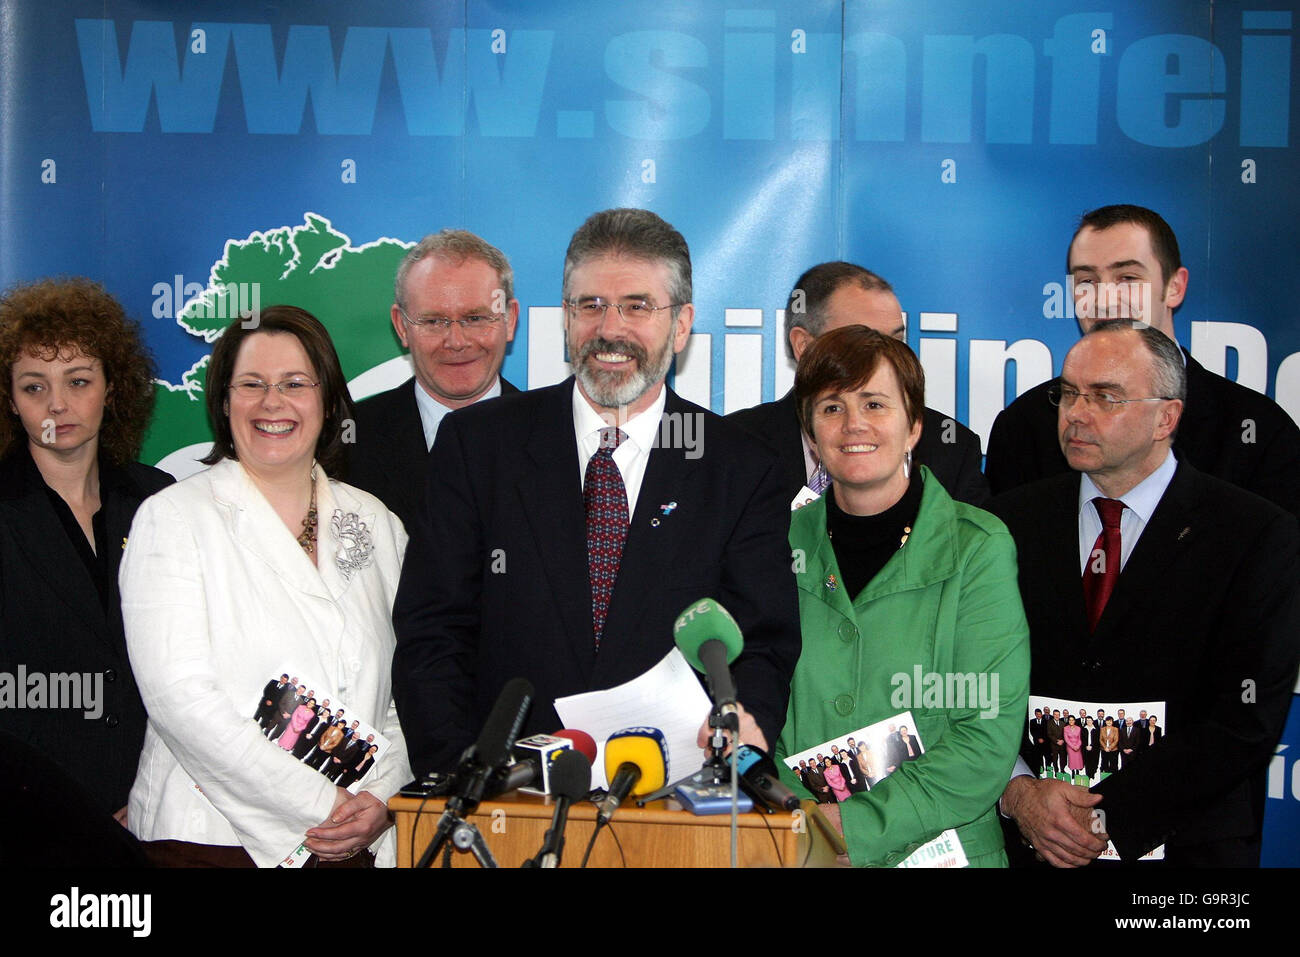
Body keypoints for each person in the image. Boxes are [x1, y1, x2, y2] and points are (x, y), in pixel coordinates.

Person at [392, 208, 801, 775]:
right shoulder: (478, 447)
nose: (611, 330)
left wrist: (744, 723)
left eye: (637, 306)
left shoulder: (740, 468)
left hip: (676, 811)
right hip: (504, 811)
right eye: (591, 306)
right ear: (565, 317)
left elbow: (760, 644)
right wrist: (462, 778)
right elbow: (432, 634)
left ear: (681, 324)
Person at [991, 322, 1300, 866]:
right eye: (1068, 394)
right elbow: (972, 681)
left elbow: (1244, 719)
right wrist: (1020, 793)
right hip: (1030, 842)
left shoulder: (1254, 534)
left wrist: (1104, 815)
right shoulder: (1007, 524)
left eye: (1105, 397)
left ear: (1167, 417)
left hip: (1186, 855)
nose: (1076, 413)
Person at [120, 305, 413, 867]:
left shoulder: (377, 523)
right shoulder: (173, 518)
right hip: (208, 840)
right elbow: (180, 699)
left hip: (356, 838)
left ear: (328, 403)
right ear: (224, 402)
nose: (272, 403)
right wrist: (320, 803)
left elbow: (409, 689)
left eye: (295, 384)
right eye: (251, 384)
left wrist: (382, 794)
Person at [774, 325, 1030, 867]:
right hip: (796, 852)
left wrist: (849, 829)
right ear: (811, 432)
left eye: (874, 403)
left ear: (914, 425)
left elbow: (985, 741)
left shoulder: (977, 548)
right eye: (831, 408)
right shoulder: (775, 545)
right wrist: (799, 827)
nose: (853, 425)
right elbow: (753, 707)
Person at [985, 204, 1300, 519]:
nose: (1105, 299)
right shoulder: (1023, 427)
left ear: (1174, 287)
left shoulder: (1257, 430)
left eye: (1127, 278)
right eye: (1087, 281)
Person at [0, 278, 174, 821]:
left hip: (156, 802)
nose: (57, 404)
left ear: (113, 387)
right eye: (34, 387)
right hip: (29, 810)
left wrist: (148, 791)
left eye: (78, 381)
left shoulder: (159, 499)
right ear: (9, 398)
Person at [730, 262, 988, 507]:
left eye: (896, 340)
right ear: (804, 346)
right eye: (861, 339)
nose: (885, 355)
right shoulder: (736, 446)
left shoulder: (949, 448)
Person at [347, 230, 521, 530]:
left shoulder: (559, 440)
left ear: (509, 320)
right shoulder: (346, 444)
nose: (456, 341)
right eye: (433, 321)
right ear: (402, 327)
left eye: (476, 318)